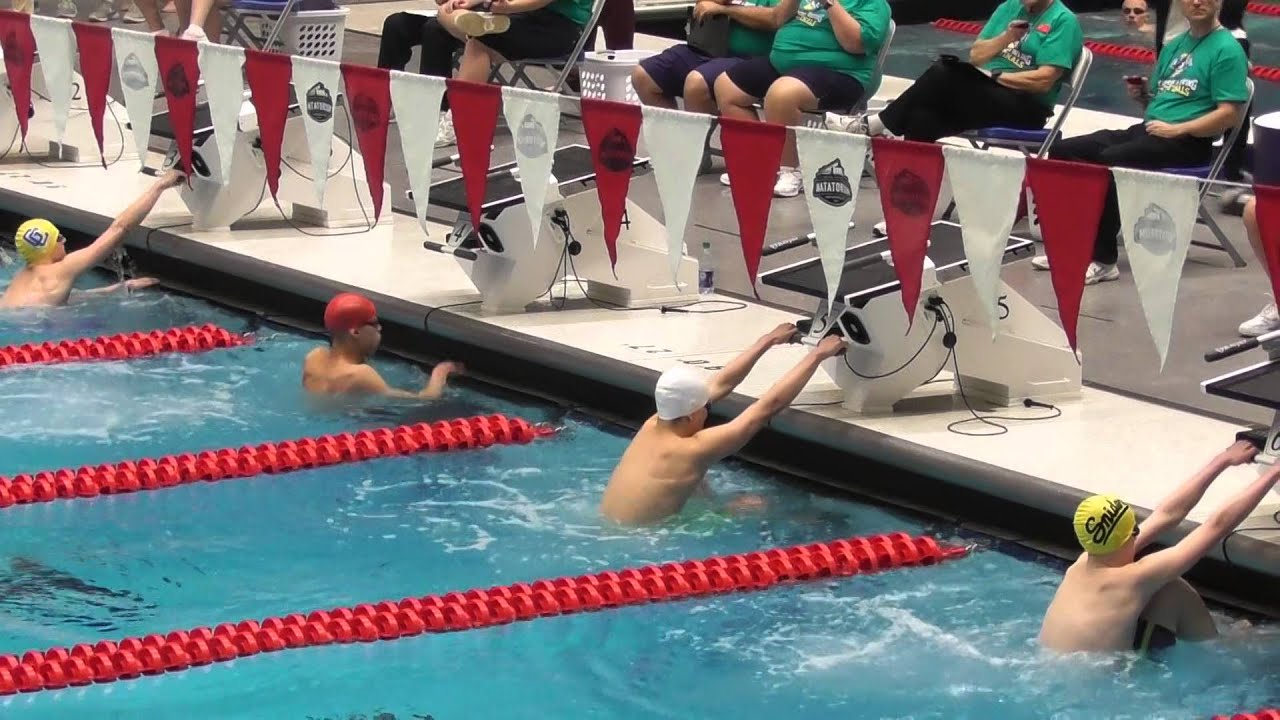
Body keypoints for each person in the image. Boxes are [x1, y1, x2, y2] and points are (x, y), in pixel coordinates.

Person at [1031, 0, 1248, 285]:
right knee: (1064, 151)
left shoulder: (1227, 49)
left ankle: (1103, 260)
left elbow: (1229, 115)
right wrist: (1144, 98)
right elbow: (1162, 103)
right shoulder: (1175, 45)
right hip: (1151, 132)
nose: (1197, 2)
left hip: (1188, 143)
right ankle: (1070, 246)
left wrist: (1178, 129)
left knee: (1111, 159)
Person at [1039, 440, 1278, 654]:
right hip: (1111, 681)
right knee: (1173, 589)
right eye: (1135, 529)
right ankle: (1221, 648)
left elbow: (1166, 514)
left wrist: (1223, 460)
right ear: (1129, 536)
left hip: (1061, 666)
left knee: (1165, 589)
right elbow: (1216, 527)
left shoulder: (1083, 562)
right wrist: (1274, 471)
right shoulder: (1134, 578)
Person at [600, 324, 846, 525]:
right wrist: (817, 355)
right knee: (760, 506)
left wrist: (768, 340)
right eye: (703, 409)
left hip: (613, 524)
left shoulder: (653, 423)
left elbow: (721, 383)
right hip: (650, 538)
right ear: (690, 416)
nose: (708, 411)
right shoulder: (692, 449)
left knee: (700, 482)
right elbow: (768, 407)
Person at [827, 0, 1082, 146]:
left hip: (1027, 109)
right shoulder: (1010, 7)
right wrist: (1007, 37)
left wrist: (996, 77)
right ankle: (910, 207)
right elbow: (977, 55)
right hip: (989, 97)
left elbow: (1043, 80)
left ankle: (875, 124)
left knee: (944, 72)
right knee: (921, 118)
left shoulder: (1062, 20)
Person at [713, 0, 892, 198]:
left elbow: (855, 44)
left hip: (841, 72)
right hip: (784, 65)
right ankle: (760, 162)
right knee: (726, 87)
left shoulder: (874, 4)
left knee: (782, 94)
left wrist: (830, 4)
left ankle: (789, 170)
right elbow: (777, 18)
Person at [379, 0, 594, 148]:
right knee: (435, 23)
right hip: (517, 16)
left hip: (560, 28)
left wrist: (506, 7)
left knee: (479, 40)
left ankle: (459, 120)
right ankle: (434, 109)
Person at [0, 170, 183, 309]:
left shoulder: (21, 279)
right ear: (48, 247)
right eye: (59, 238)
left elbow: (56, 298)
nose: (64, 241)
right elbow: (120, 228)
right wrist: (160, 185)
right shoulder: (61, 269)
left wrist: (121, 288)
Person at [302, 292, 464, 398]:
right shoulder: (360, 374)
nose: (380, 328)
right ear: (355, 332)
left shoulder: (314, 357)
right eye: (374, 323)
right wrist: (441, 371)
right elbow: (425, 398)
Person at [632, 0, 780, 114]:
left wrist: (726, 10)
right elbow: (702, 6)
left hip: (751, 58)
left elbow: (774, 19)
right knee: (643, 76)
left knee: (696, 84)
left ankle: (701, 143)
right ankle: (676, 137)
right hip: (707, 48)